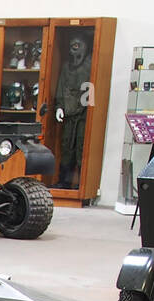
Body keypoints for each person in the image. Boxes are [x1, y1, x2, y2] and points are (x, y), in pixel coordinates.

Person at [54, 33, 92, 188]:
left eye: (77, 46)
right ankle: (65, 181)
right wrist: (59, 107)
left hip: (83, 115)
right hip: (69, 114)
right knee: (67, 146)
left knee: (81, 148)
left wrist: (87, 110)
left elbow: (91, 91)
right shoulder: (66, 67)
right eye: (72, 47)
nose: (73, 51)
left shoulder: (90, 66)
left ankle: (80, 184)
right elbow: (61, 88)